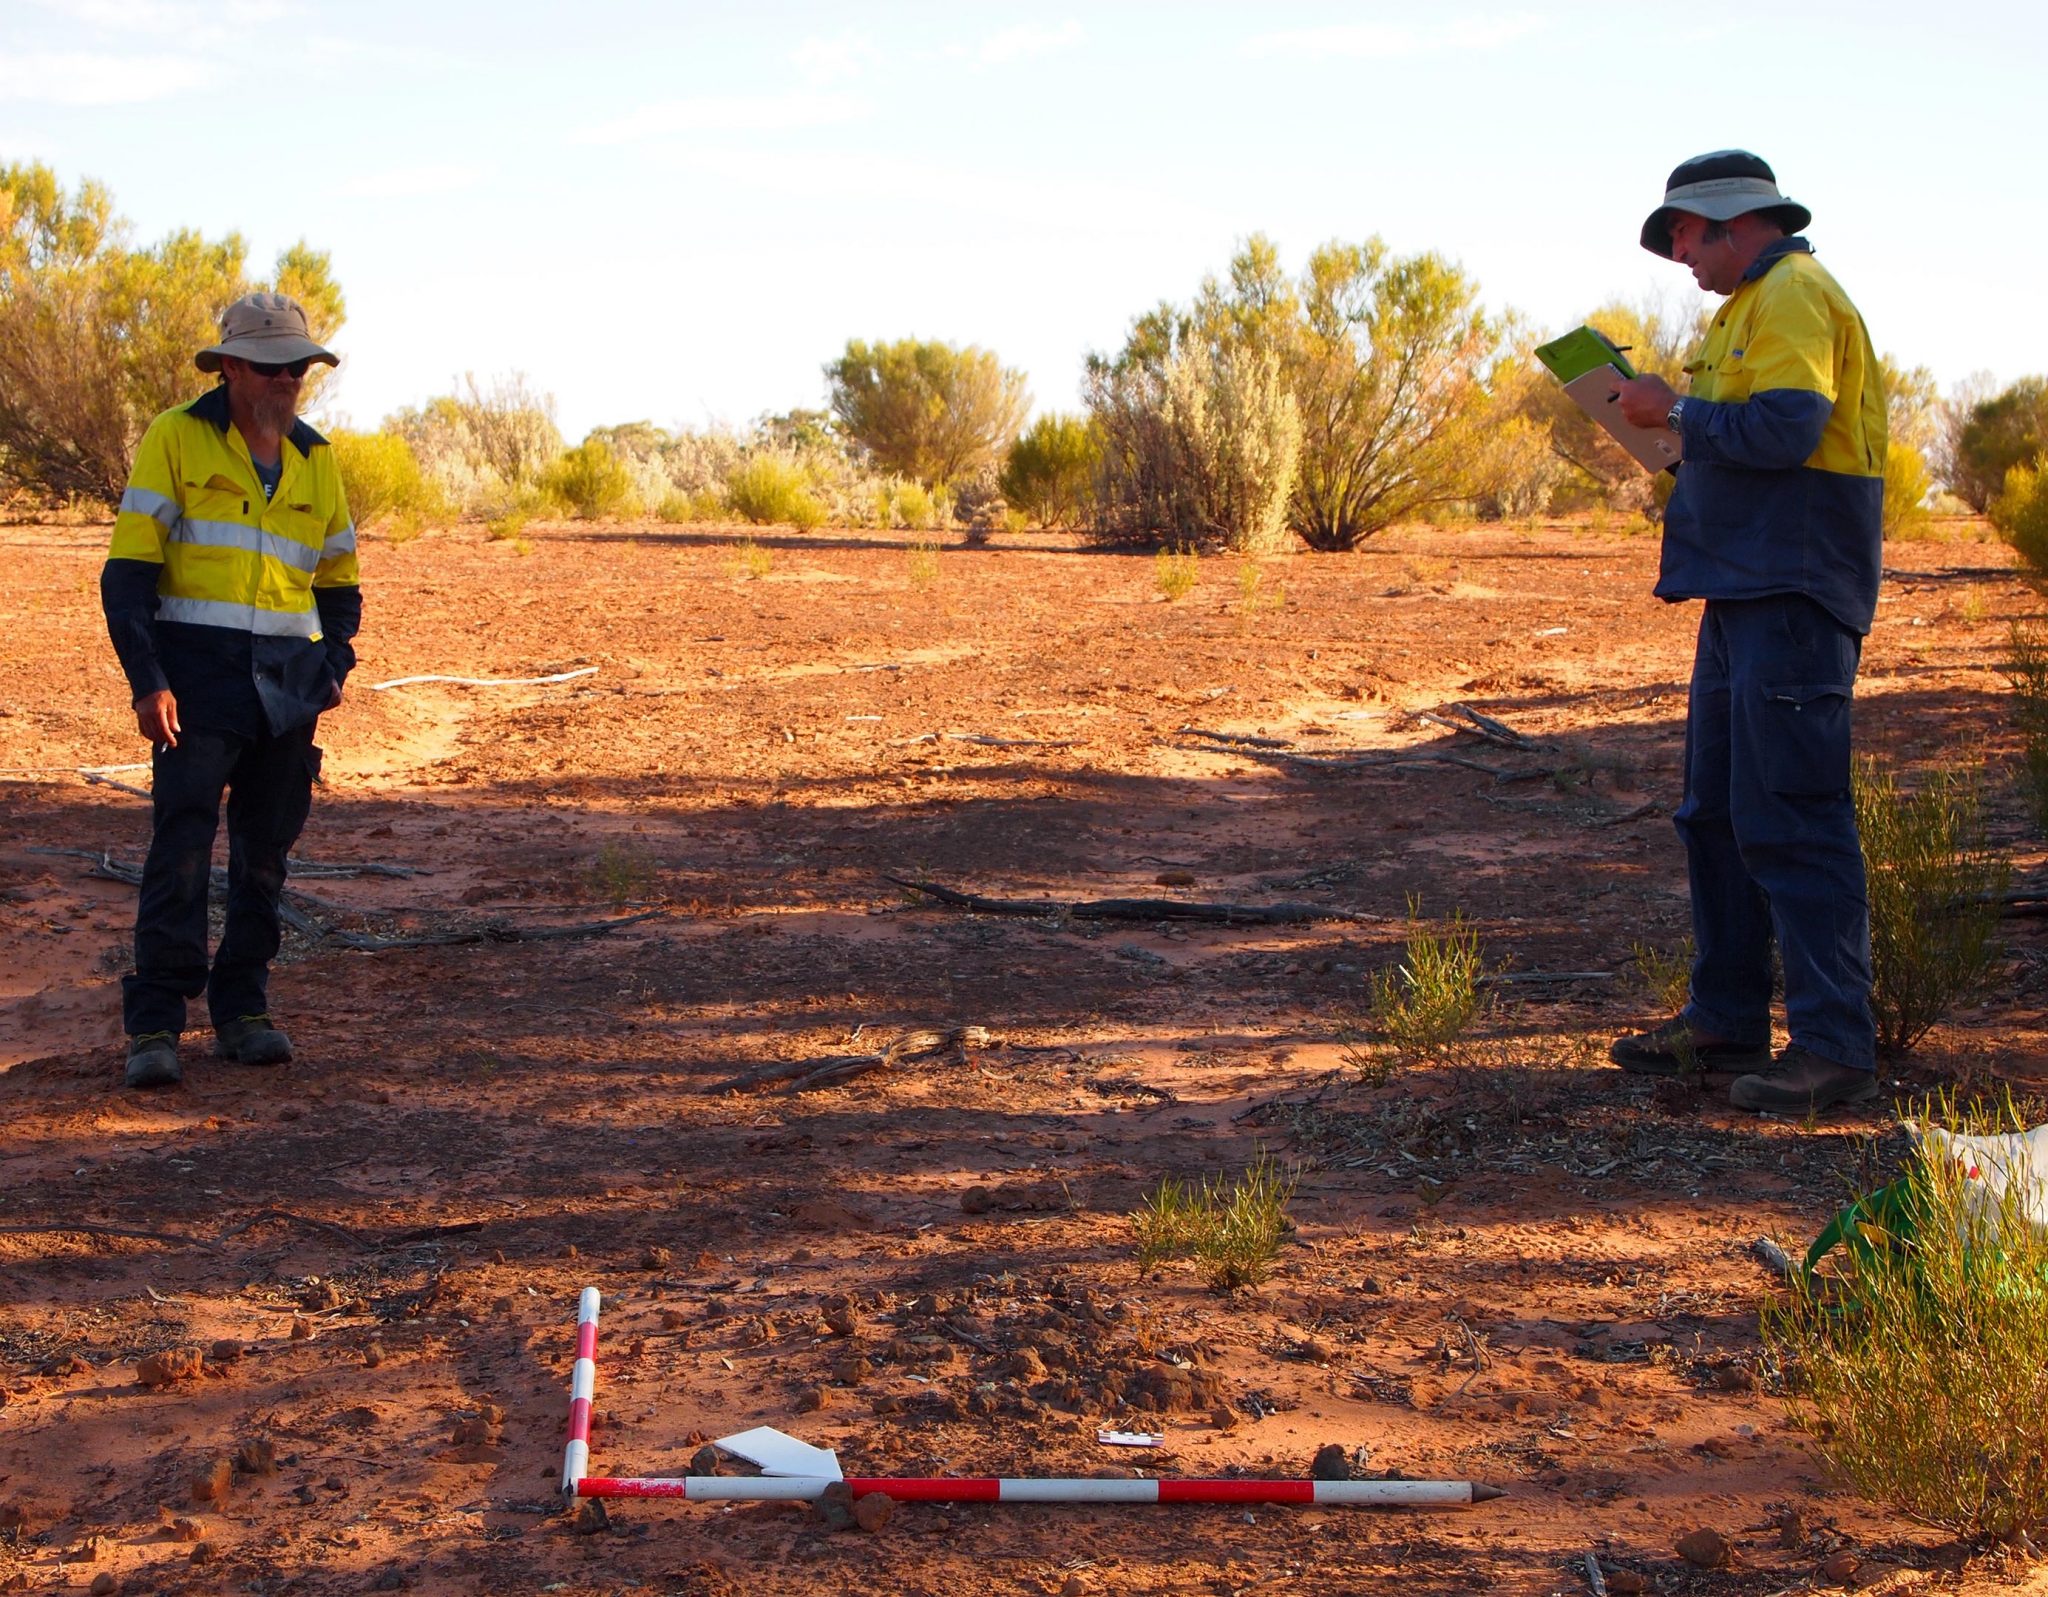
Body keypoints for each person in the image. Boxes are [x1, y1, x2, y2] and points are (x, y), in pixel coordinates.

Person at [1607, 150, 1887, 1114]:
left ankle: (1834, 1049)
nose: (1677, 252)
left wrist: (1677, 410)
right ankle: (1725, 1021)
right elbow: (1742, 445)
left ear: (1732, 222)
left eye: (1682, 232)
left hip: (1794, 591)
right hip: (1742, 592)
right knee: (1718, 815)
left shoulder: (1797, 293)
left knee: (1791, 816)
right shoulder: (1739, 312)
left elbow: (1788, 430)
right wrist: (1670, 433)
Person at [101, 293, 362, 1089]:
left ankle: (243, 1011)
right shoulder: (176, 438)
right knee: (180, 847)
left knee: (264, 856)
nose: (289, 382)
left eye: (299, 368)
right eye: (274, 367)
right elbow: (127, 576)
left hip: (287, 685)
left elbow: (340, 584)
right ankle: (154, 1024)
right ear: (232, 368)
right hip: (197, 678)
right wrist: (149, 682)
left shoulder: (317, 461)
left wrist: (332, 670)